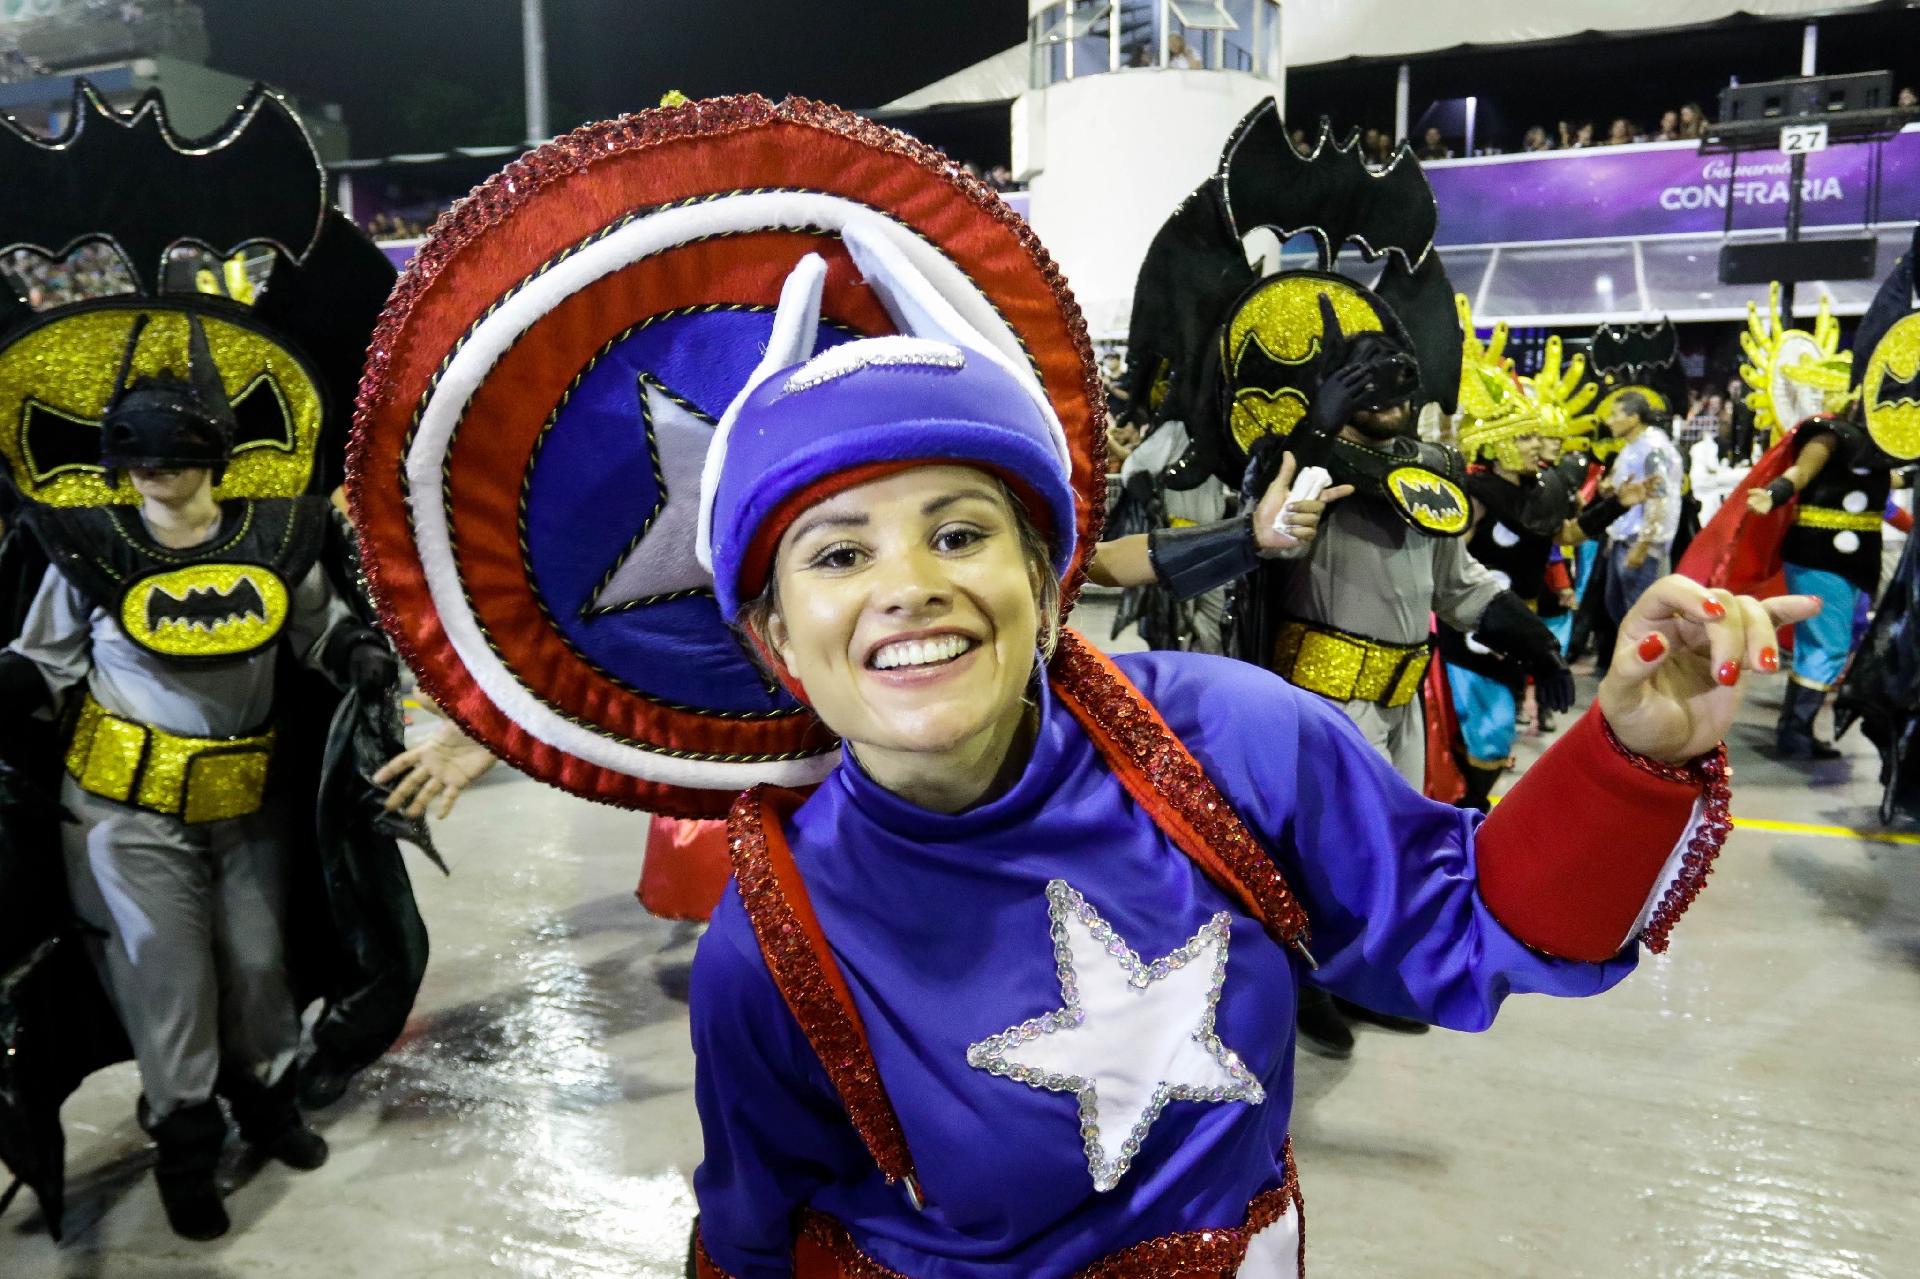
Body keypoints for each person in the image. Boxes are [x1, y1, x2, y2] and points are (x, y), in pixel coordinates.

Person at [684, 253, 1809, 1279]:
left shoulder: (1223, 739)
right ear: (776, 639)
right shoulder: (770, 930)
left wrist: (1626, 757)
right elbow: (754, 1230)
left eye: (962, 532)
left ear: (1045, 579)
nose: (909, 583)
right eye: (839, 552)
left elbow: (1469, 918)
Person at [0, 320, 399, 1240]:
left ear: (214, 454)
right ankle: (183, 1143)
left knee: (259, 971)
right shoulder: (87, 550)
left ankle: (266, 1103)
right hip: (121, 813)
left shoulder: (276, 538)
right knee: (165, 982)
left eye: (173, 453)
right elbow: (43, 662)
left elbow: (321, 631)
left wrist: (362, 656)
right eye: (136, 455)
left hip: (246, 802)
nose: (153, 470)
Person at [1602, 391, 1685, 623]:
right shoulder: (1632, 447)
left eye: (1615, 414)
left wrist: (1643, 544)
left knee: (1644, 616)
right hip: (1625, 538)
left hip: (1640, 542)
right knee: (1619, 609)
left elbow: (1658, 498)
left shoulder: (1652, 448)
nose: (1609, 421)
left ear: (1634, 417)